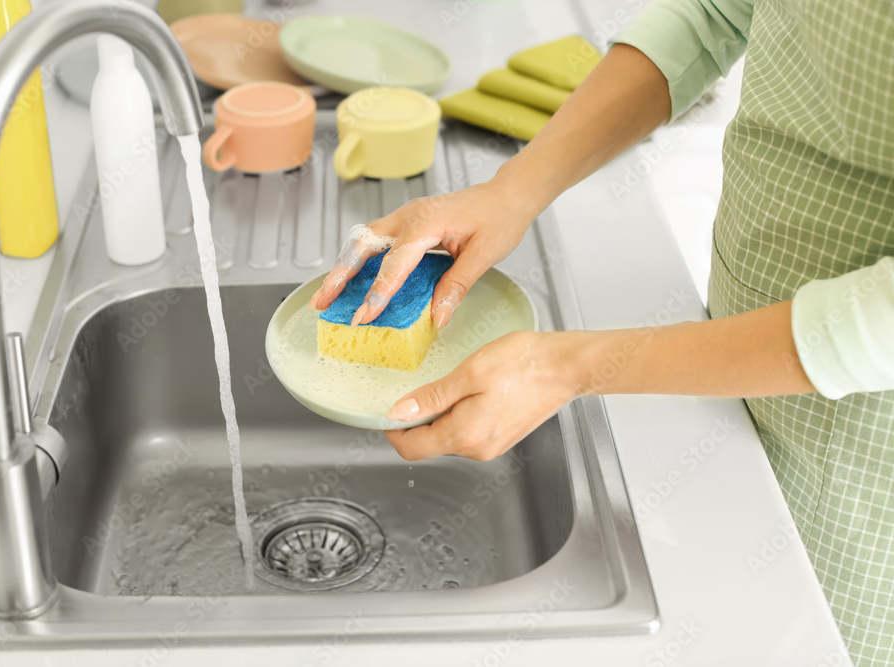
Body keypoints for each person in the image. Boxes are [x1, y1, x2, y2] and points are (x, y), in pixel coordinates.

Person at [311, 0, 893, 662]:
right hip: (732, 350)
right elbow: (717, 11)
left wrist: (569, 367)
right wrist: (514, 190)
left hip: (860, 446)